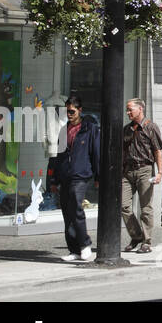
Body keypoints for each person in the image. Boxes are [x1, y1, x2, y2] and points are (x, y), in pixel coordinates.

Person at [47, 94, 99, 262]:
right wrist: (53, 179)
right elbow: (57, 156)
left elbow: (96, 153)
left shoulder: (89, 128)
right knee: (67, 213)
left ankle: (85, 244)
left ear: (80, 110)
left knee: (76, 206)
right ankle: (74, 250)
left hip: (81, 175)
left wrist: (98, 176)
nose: (69, 114)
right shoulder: (64, 129)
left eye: (72, 111)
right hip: (65, 175)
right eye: (67, 111)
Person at [121, 98, 162, 254]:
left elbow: (157, 151)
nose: (128, 112)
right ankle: (136, 235)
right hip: (127, 171)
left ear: (140, 109)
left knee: (146, 207)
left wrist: (159, 172)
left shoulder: (151, 127)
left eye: (130, 109)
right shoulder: (126, 129)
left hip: (145, 169)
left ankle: (146, 241)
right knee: (124, 205)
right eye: (127, 109)